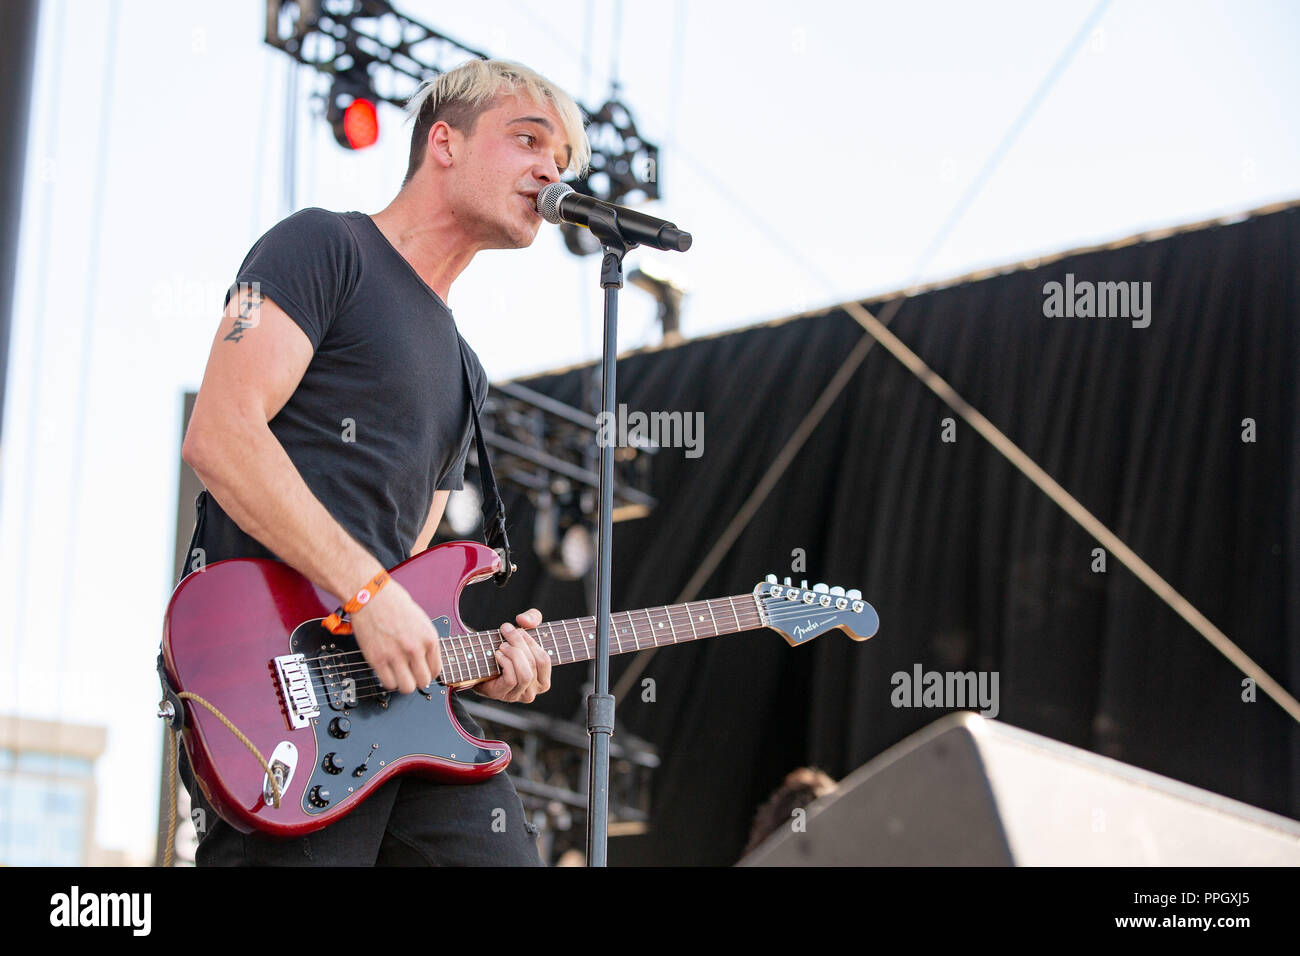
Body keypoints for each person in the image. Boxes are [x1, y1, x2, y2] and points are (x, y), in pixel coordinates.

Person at [173, 58, 592, 866]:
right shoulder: (320, 245)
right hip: (265, 687)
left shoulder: (467, 370)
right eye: (528, 139)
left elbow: (409, 584)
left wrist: (475, 665)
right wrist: (366, 593)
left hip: (388, 717)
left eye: (563, 161)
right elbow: (220, 434)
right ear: (444, 141)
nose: (551, 171)